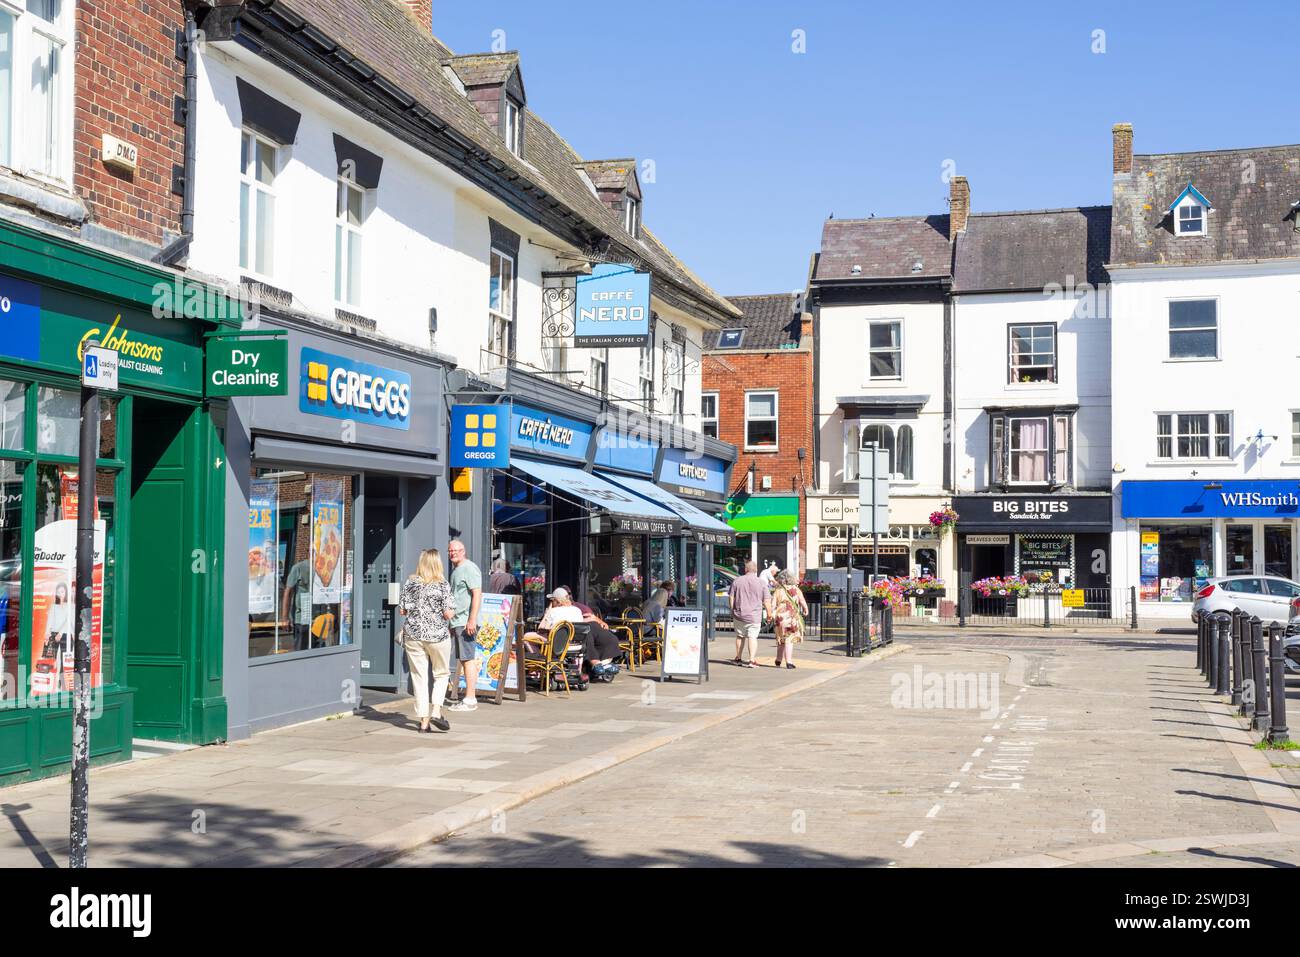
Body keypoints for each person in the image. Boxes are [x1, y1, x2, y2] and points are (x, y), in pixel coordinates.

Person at [399, 548, 454, 733]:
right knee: (441, 673)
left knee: (419, 678)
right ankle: (437, 711)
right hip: (437, 635)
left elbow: (403, 611)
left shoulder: (410, 583)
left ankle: (423, 722)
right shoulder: (442, 584)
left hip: (413, 636)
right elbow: (448, 614)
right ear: (437, 563)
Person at [446, 539, 483, 712]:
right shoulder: (457, 570)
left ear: (463, 551)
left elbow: (476, 594)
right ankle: (469, 698)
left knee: (468, 659)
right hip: (459, 621)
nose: (453, 553)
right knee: (465, 659)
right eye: (450, 551)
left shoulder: (468, 568)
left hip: (466, 622)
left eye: (456, 550)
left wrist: (472, 619)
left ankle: (470, 699)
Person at [729, 560, 772, 668]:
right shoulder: (761, 583)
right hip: (754, 616)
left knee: (740, 636)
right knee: (752, 637)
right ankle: (752, 660)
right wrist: (769, 614)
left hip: (739, 614)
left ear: (745, 569)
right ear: (756, 570)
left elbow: (731, 597)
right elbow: (767, 600)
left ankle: (738, 658)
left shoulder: (737, 581)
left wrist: (732, 609)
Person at [771, 570, 809, 669]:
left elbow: (773, 605)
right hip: (791, 617)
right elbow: (802, 601)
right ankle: (789, 662)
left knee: (780, 639)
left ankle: (778, 660)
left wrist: (771, 615)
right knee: (789, 640)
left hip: (780, 618)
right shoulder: (796, 589)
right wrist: (806, 609)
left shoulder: (778, 590)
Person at [281, 558, 314, 651]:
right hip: (302, 618)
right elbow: (288, 592)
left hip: (319, 617)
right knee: (301, 650)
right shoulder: (298, 567)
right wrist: (285, 618)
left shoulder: (323, 568)